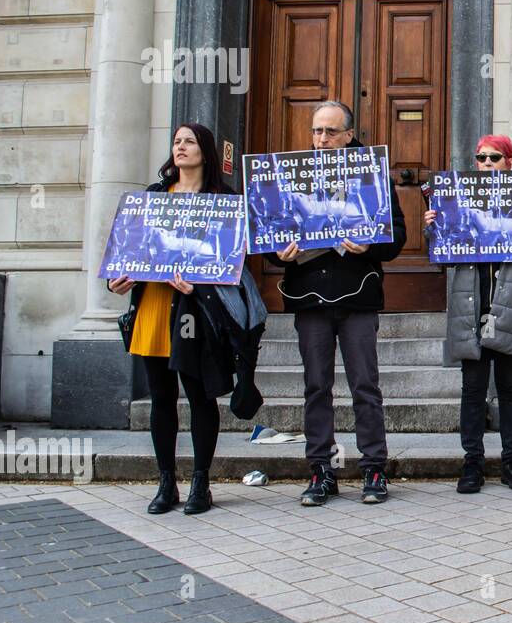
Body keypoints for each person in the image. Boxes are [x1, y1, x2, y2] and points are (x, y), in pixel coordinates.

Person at [108, 124, 263, 515]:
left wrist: (201, 279)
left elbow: (233, 263)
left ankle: (200, 482)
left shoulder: (223, 200)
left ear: (205, 151)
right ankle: (165, 482)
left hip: (197, 312)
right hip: (154, 306)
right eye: (176, 142)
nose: (180, 147)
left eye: (188, 142)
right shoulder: (153, 196)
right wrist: (118, 278)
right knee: (162, 397)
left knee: (199, 396)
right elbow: (129, 249)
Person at [268, 101, 406, 507]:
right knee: (316, 387)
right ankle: (320, 471)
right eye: (316, 132)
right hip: (308, 296)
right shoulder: (291, 178)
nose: (322, 140)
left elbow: (396, 237)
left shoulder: (373, 175)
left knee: (365, 385)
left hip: (358, 295)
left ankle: (374, 469)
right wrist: (282, 255)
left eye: (330, 132)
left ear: (349, 135)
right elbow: (272, 238)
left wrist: (370, 244)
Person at [425, 135, 512, 494]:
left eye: (494, 157)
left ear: (509, 163)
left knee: (510, 389)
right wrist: (433, 227)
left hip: (510, 310)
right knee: (472, 391)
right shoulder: (457, 203)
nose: (486, 163)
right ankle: (471, 462)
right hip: (470, 313)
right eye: (481, 158)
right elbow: (441, 253)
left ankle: (511, 460)